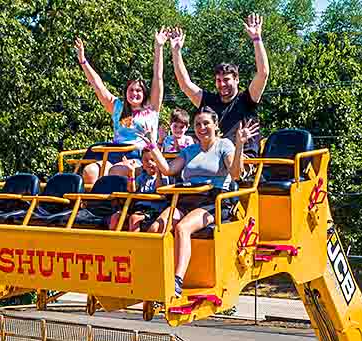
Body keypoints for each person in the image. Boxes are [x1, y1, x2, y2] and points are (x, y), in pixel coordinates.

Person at [141, 109, 257, 294]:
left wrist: (240, 145)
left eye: (206, 123)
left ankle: (177, 280)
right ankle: (151, 273)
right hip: (187, 198)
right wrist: (153, 146)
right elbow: (169, 170)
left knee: (182, 228)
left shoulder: (224, 145)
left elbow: (235, 174)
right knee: (156, 227)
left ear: (215, 125)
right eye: (197, 125)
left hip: (212, 201)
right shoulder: (190, 150)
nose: (202, 128)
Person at [73, 30, 168, 186]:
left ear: (144, 93)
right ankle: (93, 201)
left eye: (138, 90)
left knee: (116, 171)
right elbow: (97, 85)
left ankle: (119, 199)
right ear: (126, 92)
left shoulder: (152, 107)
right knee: (90, 172)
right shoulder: (117, 106)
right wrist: (83, 61)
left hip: (139, 156)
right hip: (114, 153)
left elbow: (158, 76)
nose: (134, 93)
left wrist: (159, 47)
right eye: (131, 90)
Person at [167, 15, 269, 157]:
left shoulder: (247, 99)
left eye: (226, 80)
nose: (222, 84)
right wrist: (176, 51)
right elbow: (185, 84)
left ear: (236, 80)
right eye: (218, 80)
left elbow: (263, 73)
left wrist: (257, 39)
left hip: (242, 159)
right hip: (212, 158)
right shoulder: (209, 101)